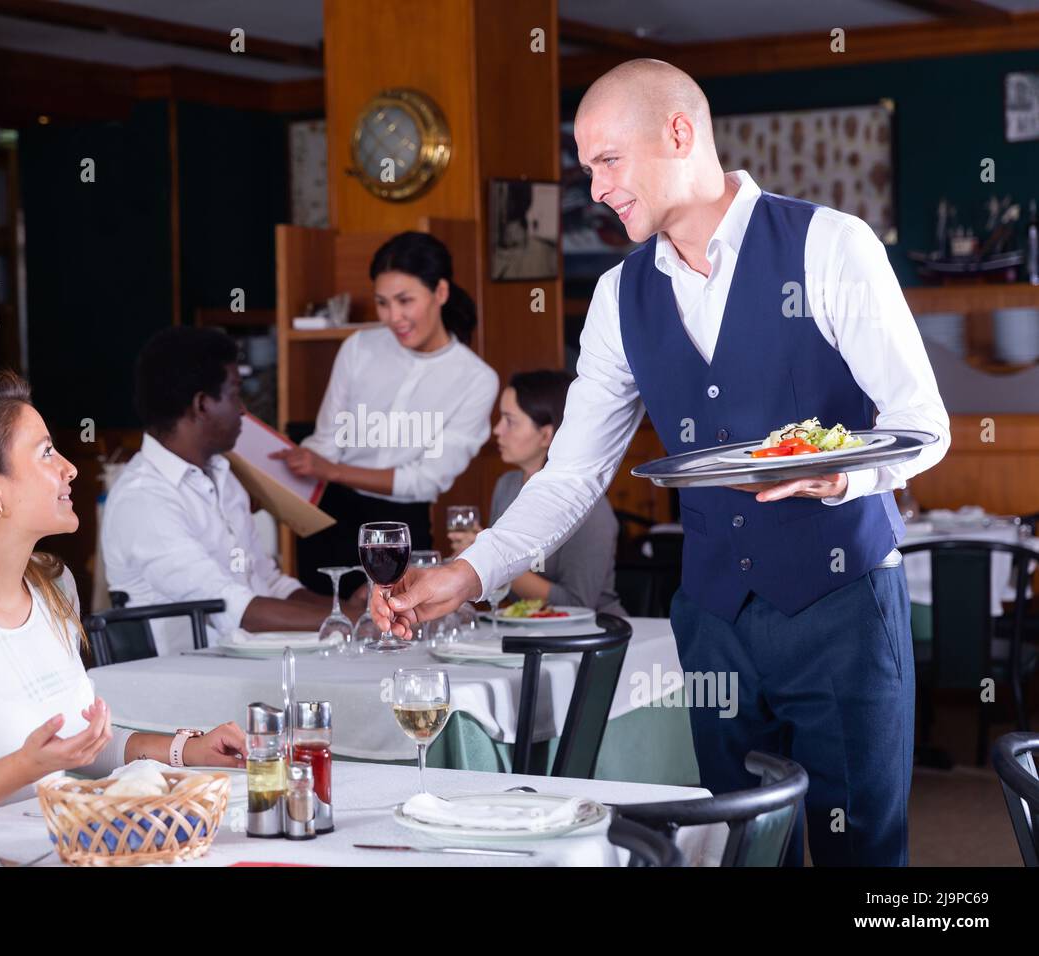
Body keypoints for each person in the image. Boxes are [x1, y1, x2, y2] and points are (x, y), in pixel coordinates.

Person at [374, 59, 951, 867]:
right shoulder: (619, 296)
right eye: (587, 169)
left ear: (679, 133)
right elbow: (571, 474)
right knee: (741, 848)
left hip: (843, 609)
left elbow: (923, 426)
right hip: (716, 622)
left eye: (609, 161)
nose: (597, 188)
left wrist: (843, 473)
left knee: (862, 855)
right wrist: (468, 573)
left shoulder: (829, 245)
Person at [0, 371, 246, 840]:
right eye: (47, 453)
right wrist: (24, 767)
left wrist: (186, 749)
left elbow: (81, 747)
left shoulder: (53, 587)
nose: (70, 468)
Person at [102, 327, 364, 651]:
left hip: (243, 664)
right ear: (202, 405)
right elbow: (234, 609)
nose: (243, 410)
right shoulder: (143, 500)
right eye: (235, 394)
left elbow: (267, 583)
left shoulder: (224, 476)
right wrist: (351, 619)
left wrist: (348, 608)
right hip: (182, 682)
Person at [271, 231, 499, 597]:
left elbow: (427, 480)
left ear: (440, 292)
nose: (394, 317)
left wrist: (331, 470)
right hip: (328, 516)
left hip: (400, 528)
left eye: (405, 301)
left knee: (394, 633)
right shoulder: (359, 347)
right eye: (382, 303)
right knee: (323, 628)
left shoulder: (476, 380)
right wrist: (284, 472)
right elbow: (327, 441)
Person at [448, 369, 625, 616]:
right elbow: (501, 591)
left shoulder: (590, 506)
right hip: (529, 630)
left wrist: (489, 560)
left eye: (510, 421)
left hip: (596, 635)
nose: (497, 430)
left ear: (546, 435)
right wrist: (478, 559)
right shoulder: (507, 485)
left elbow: (578, 604)